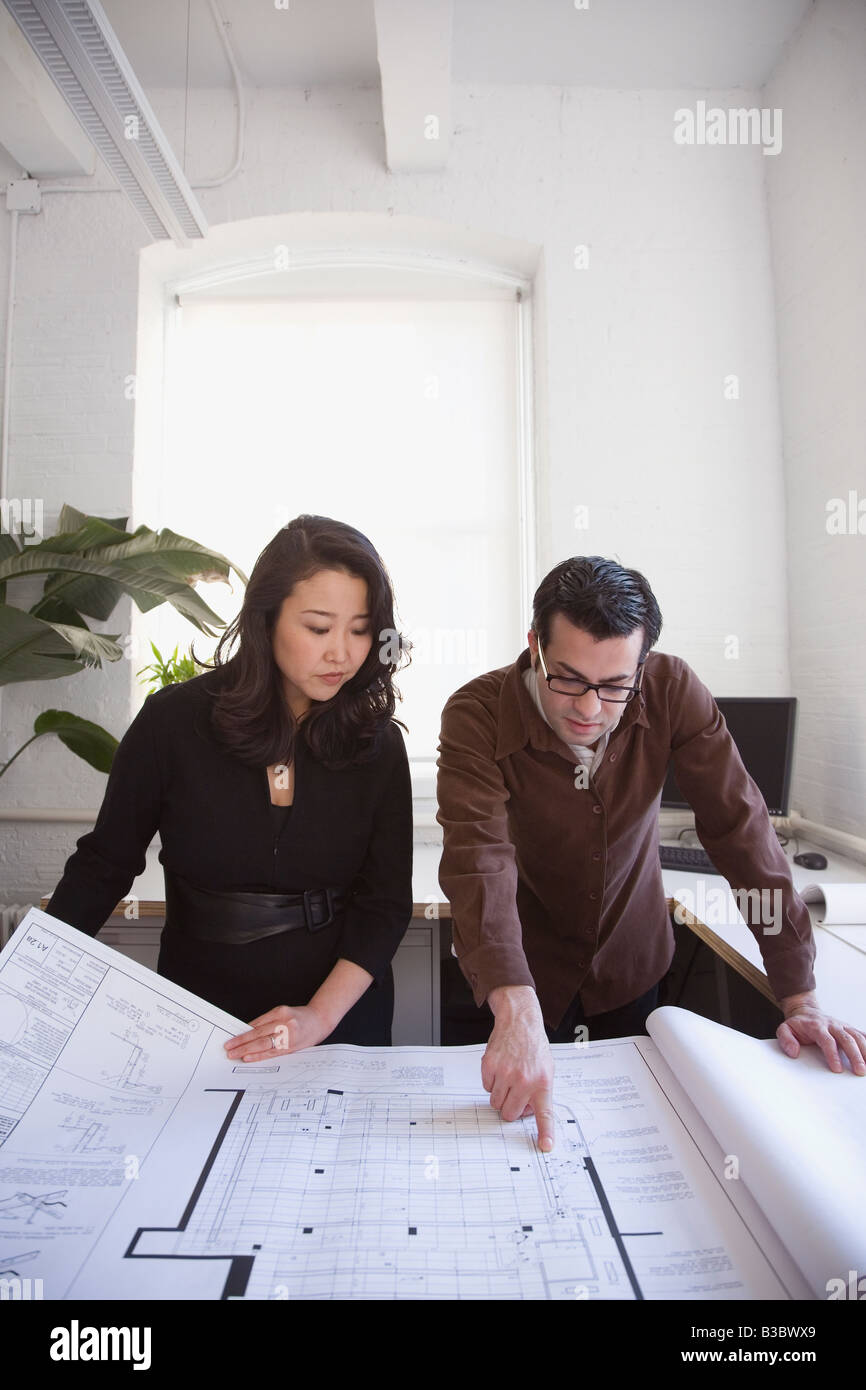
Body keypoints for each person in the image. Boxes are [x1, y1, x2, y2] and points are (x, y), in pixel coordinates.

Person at [436, 555, 866, 1152]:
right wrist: (515, 1007)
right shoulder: (476, 713)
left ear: (643, 664)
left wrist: (798, 992)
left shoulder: (671, 690)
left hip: (630, 965)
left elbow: (740, 830)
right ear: (534, 645)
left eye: (615, 687)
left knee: (622, 1145)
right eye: (567, 678)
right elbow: (480, 857)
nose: (588, 709)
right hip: (521, 971)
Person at [47, 515, 413, 1057]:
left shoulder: (376, 744)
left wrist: (317, 1018)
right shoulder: (173, 724)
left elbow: (384, 905)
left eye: (360, 629)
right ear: (266, 620)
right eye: (318, 628)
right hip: (199, 1013)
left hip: (337, 1022)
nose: (342, 652)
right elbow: (102, 867)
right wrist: (31, 980)